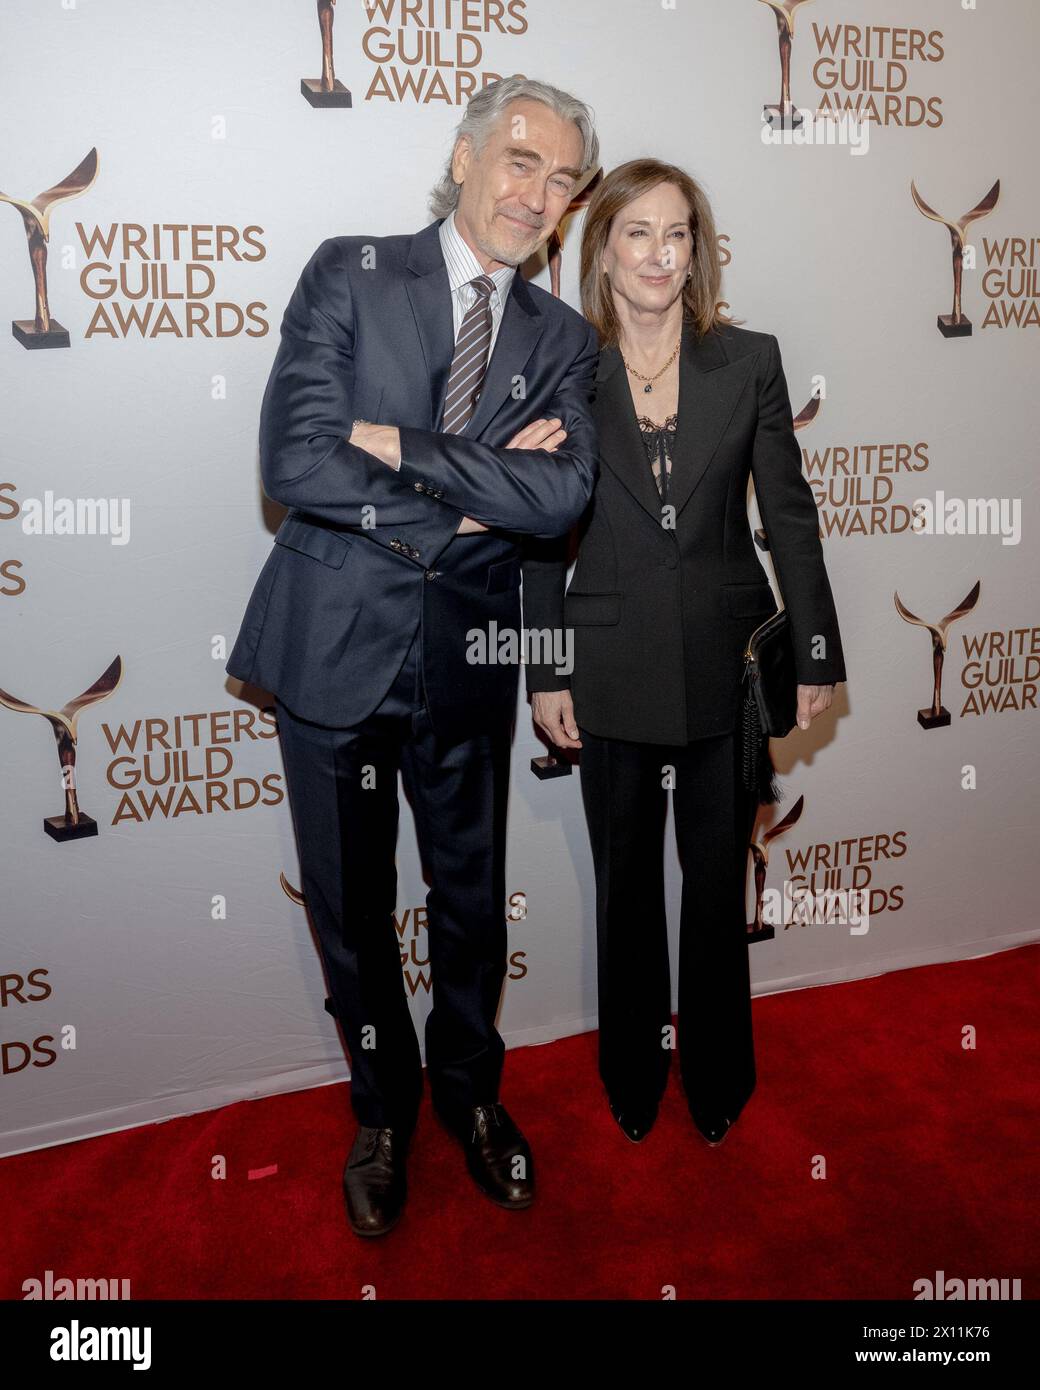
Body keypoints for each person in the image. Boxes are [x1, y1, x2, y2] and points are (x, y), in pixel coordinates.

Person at [226, 77, 600, 1235]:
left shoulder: (564, 337)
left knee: (471, 902)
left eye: (560, 179)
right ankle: (381, 1110)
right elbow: (296, 460)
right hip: (333, 652)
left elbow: (562, 494)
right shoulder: (352, 270)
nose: (535, 194)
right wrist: (471, 493)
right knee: (351, 910)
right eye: (520, 161)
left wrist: (395, 445)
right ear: (465, 153)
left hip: (467, 660)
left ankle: (472, 1096)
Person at [523, 159, 846, 1149]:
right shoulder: (559, 366)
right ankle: (630, 1070)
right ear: (602, 249)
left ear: (694, 252)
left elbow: (788, 517)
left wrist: (820, 652)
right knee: (625, 892)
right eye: (637, 233)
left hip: (726, 667)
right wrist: (545, 668)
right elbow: (537, 531)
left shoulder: (745, 360)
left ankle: (716, 1073)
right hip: (607, 666)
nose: (659, 253)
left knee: (713, 886)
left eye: (677, 234)